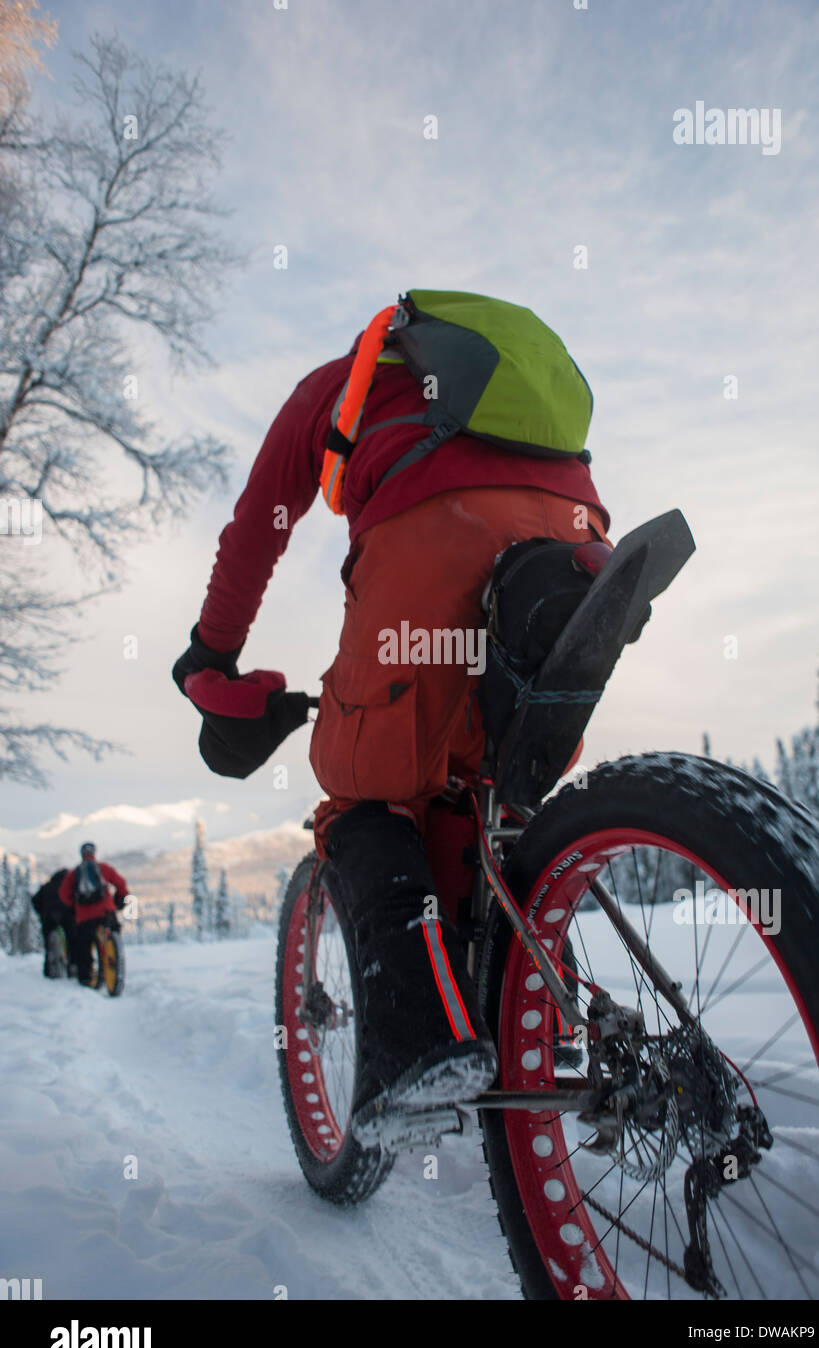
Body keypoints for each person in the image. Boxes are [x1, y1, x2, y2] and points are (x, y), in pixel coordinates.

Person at [173, 292, 611, 1144]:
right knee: (496, 779)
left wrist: (209, 656)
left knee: (363, 780)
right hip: (576, 543)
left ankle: (418, 1050)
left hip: (434, 531)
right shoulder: (511, 402)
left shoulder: (346, 382)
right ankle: (539, 1023)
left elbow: (257, 528)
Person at [58, 843, 128, 988]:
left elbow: (63, 894)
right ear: (94, 853)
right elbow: (121, 883)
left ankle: (86, 978)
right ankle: (113, 958)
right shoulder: (104, 868)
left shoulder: (74, 873)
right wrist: (120, 898)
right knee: (112, 933)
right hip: (106, 911)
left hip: (84, 916)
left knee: (84, 947)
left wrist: (74, 906)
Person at [31, 868, 75, 978]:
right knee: (71, 941)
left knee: (48, 944)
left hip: (48, 916)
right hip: (65, 916)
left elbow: (35, 900)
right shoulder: (68, 886)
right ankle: (71, 968)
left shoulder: (47, 886)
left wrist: (41, 913)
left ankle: (48, 970)